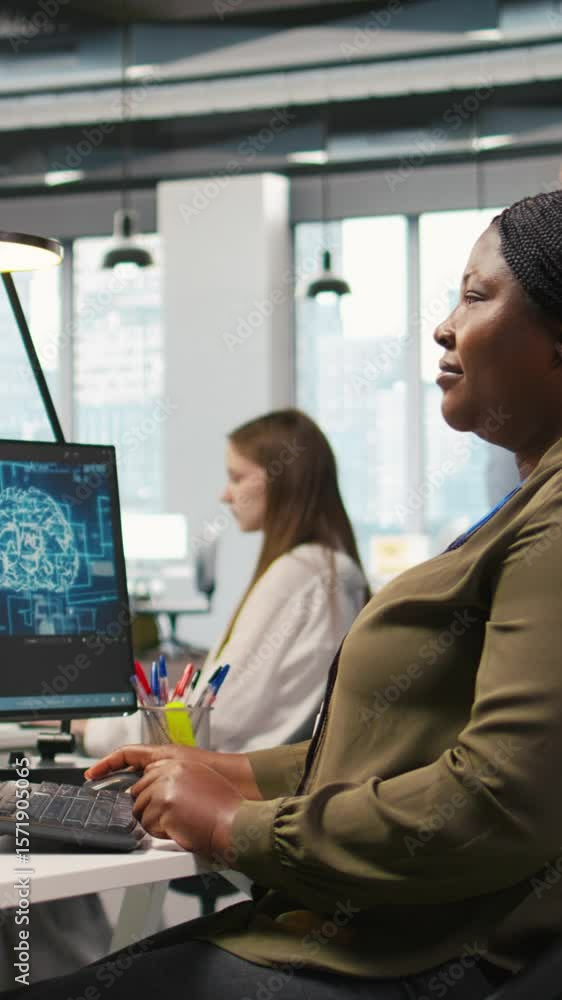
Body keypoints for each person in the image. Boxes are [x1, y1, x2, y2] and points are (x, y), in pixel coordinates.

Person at [10, 188, 562, 999]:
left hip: (401, 956)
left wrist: (235, 824)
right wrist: (230, 771)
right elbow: (391, 750)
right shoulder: (522, 511)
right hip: (369, 932)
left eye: (477, 297)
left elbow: (499, 800)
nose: (444, 327)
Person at [84, 408, 368, 757]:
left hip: (239, 776)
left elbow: (217, 716)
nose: (225, 495)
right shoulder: (330, 568)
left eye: (237, 477)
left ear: (283, 480)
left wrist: (89, 728)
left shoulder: (299, 574)